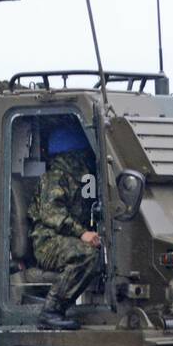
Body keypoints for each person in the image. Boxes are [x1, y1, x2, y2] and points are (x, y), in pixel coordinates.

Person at [28, 118, 103, 330]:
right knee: (86, 255)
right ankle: (51, 311)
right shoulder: (55, 177)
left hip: (64, 238)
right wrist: (82, 234)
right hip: (47, 242)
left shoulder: (81, 180)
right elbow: (53, 215)